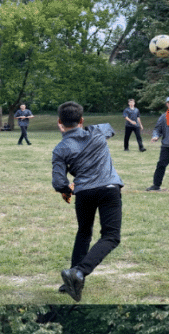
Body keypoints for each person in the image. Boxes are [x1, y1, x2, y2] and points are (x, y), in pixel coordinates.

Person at [52, 101, 123, 302]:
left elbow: (58, 182)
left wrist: (66, 190)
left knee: (84, 232)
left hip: (84, 193)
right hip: (109, 188)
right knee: (111, 236)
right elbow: (110, 129)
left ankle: (73, 278)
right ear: (82, 120)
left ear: (60, 122)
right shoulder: (97, 131)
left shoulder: (60, 148)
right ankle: (79, 273)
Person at [146, 97, 169, 191]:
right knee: (161, 165)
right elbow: (157, 129)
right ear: (167, 104)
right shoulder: (164, 117)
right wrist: (155, 136)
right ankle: (156, 186)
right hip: (166, 146)